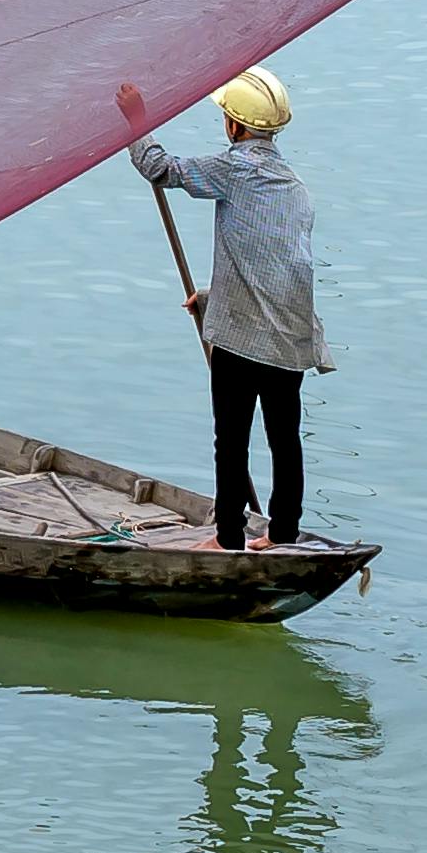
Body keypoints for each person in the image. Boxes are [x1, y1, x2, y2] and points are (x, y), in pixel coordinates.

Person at [121, 70, 328, 548]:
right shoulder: (295, 188)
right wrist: (213, 297)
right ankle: (283, 534)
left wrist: (137, 122)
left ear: (235, 127)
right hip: (291, 338)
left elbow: (160, 168)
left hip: (243, 340)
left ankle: (229, 538)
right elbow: (275, 263)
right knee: (284, 439)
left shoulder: (235, 169)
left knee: (231, 438)